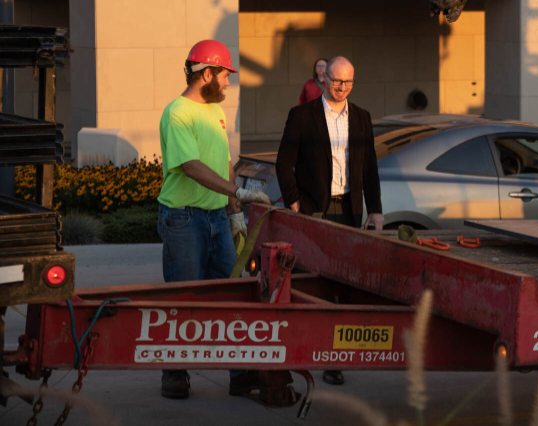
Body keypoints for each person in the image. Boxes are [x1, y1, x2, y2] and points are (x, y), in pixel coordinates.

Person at [156, 39, 271, 400]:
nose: (227, 83)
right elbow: (191, 166)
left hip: (216, 219)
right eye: (224, 75)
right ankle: (174, 375)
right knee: (184, 297)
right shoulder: (178, 113)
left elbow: (223, 164)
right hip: (183, 220)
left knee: (232, 294)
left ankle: (241, 374)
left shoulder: (215, 113)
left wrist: (233, 213)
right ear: (206, 74)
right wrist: (237, 194)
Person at [275, 55, 384, 386]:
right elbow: (283, 163)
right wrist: (294, 201)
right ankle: (304, 352)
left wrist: (376, 209)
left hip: (350, 210)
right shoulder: (302, 116)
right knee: (313, 283)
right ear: (324, 80)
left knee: (344, 284)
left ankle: (334, 358)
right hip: (315, 209)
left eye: (348, 82)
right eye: (337, 81)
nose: (342, 88)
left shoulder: (362, 118)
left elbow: (369, 168)